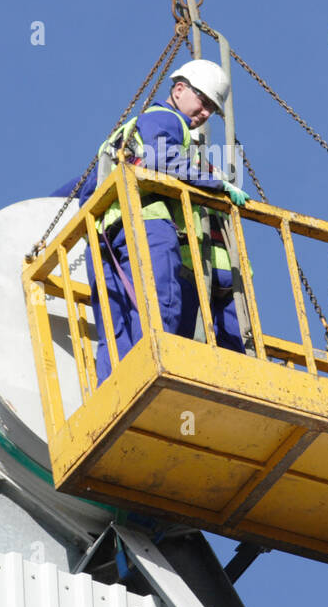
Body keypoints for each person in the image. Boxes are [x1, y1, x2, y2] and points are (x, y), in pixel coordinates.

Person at [53, 59, 248, 384]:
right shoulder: (168, 120)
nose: (205, 113)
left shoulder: (124, 135)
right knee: (160, 308)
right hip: (146, 224)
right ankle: (151, 383)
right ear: (180, 89)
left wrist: (41, 212)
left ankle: (118, 392)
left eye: (212, 108)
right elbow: (162, 158)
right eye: (203, 102)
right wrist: (215, 183)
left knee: (116, 327)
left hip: (103, 237)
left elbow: (80, 187)